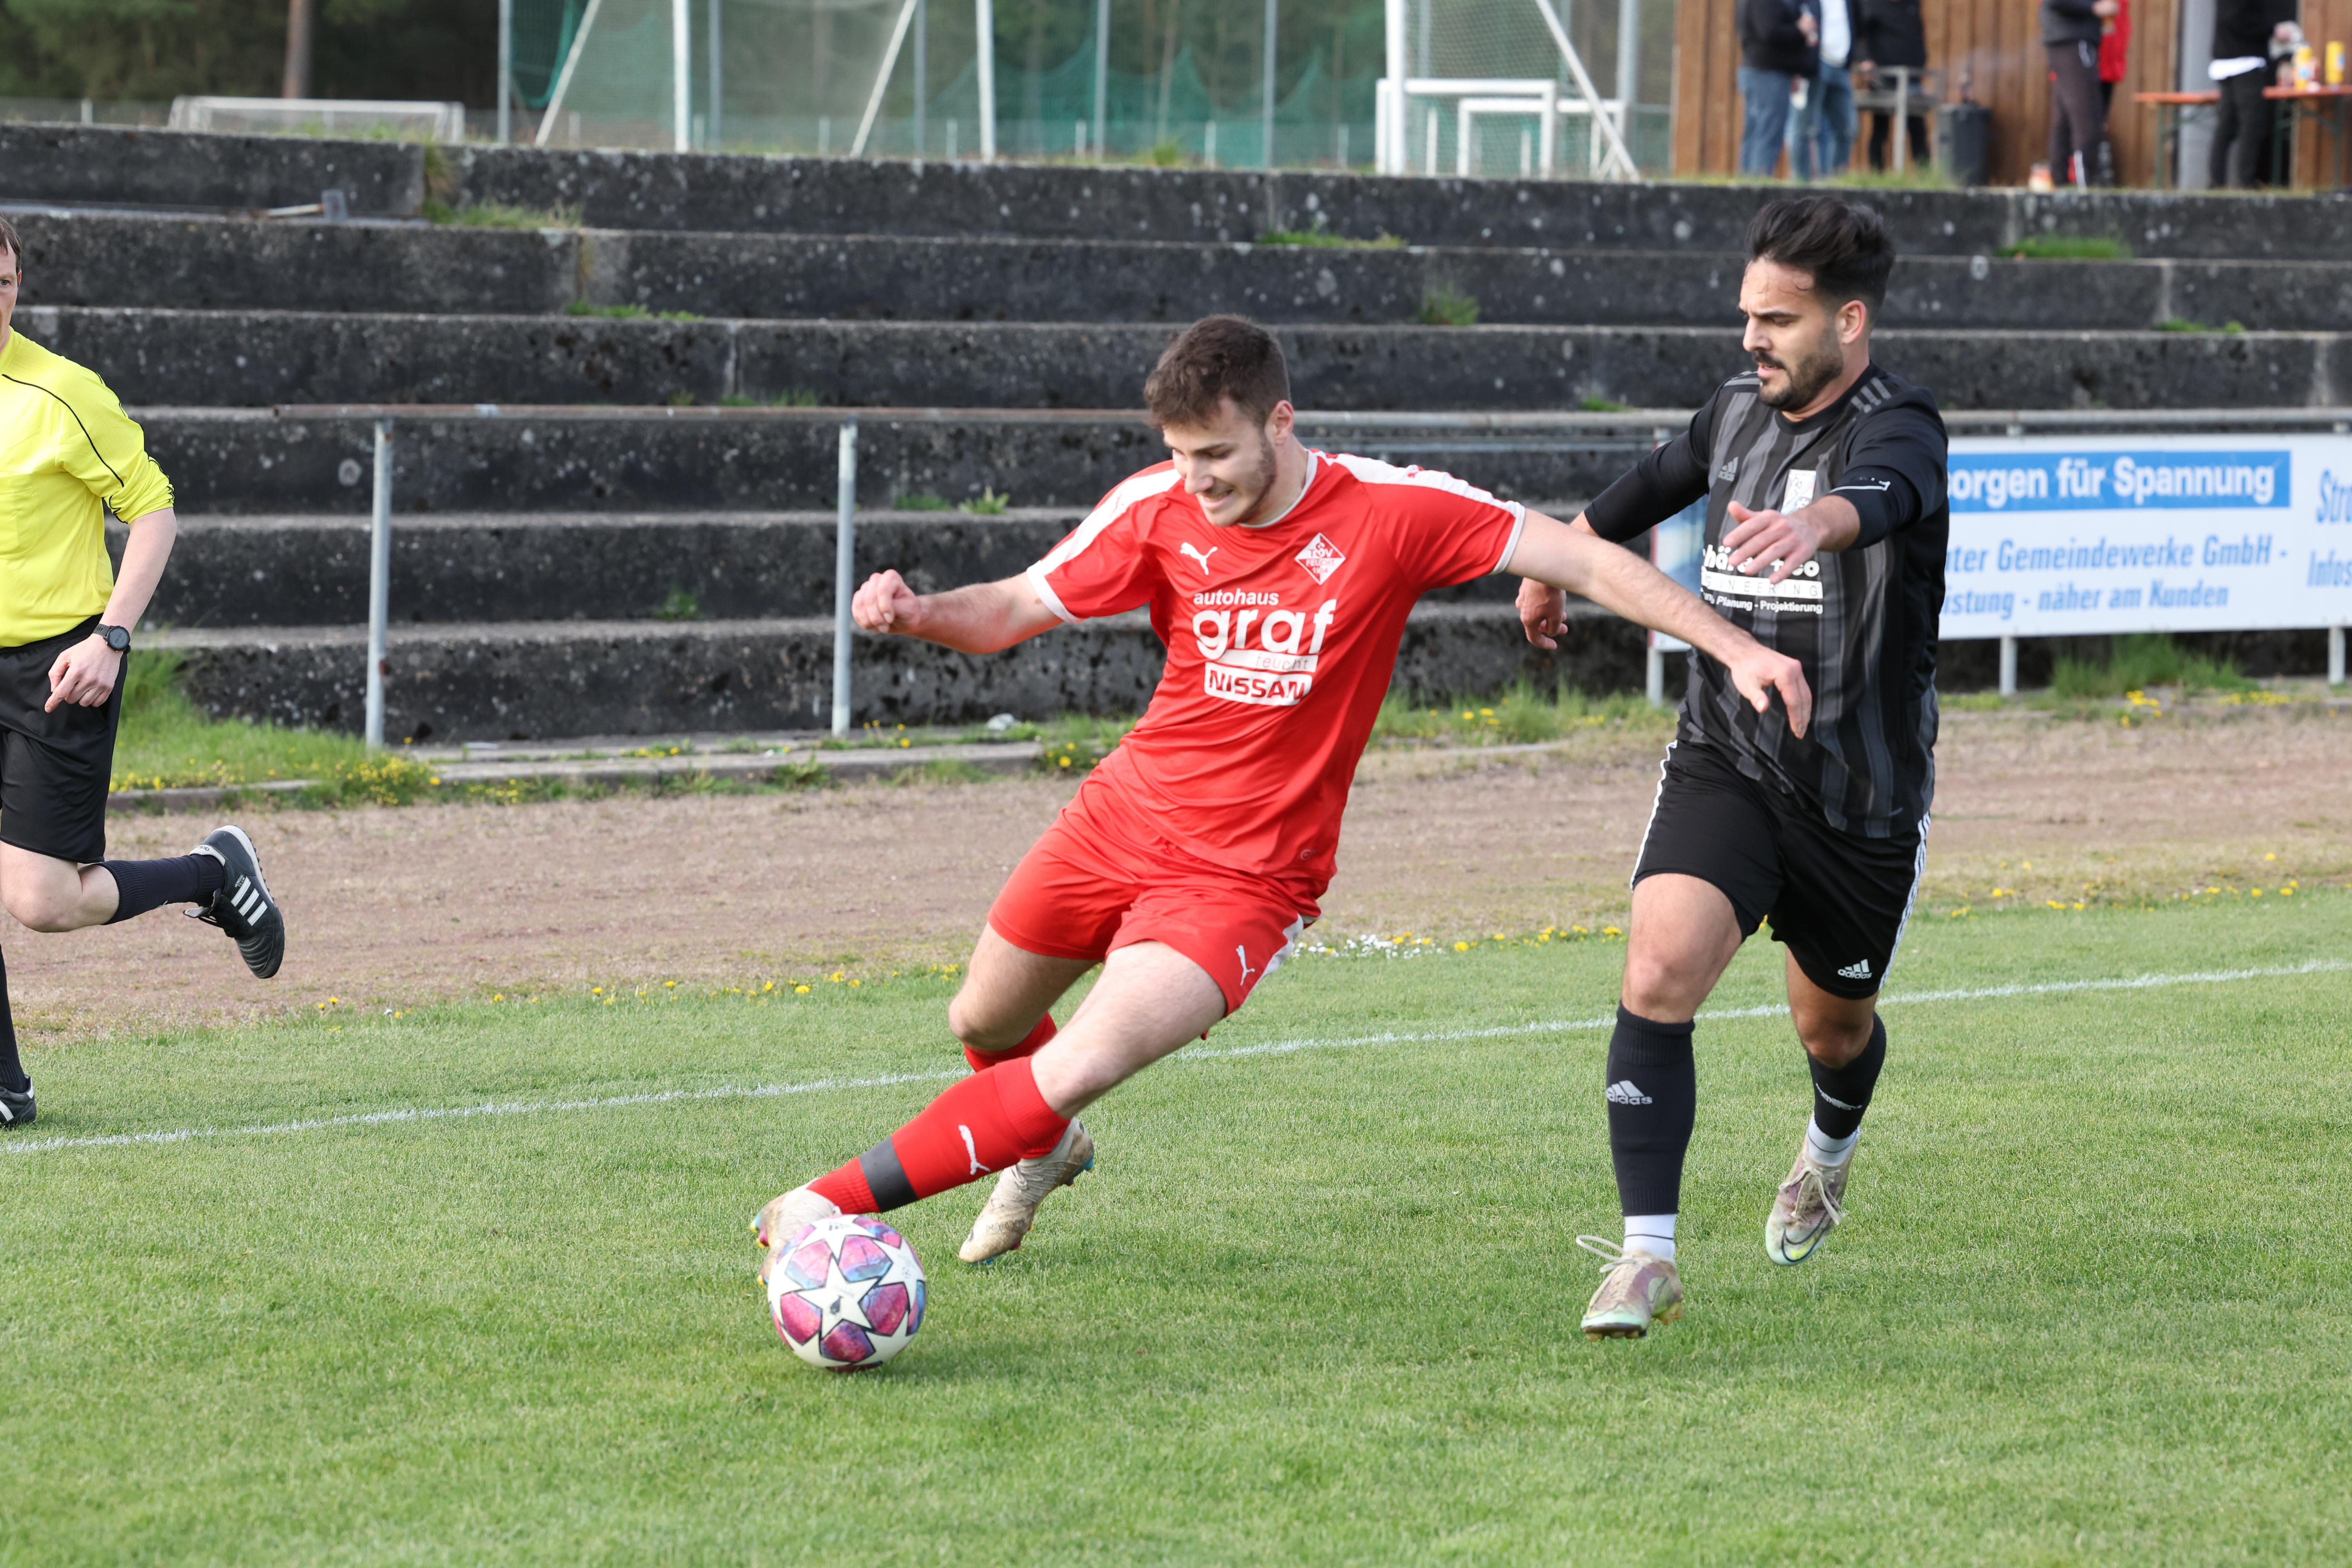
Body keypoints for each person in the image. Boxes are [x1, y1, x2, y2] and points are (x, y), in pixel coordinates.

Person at [751, 316, 1811, 1279]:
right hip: (1119, 817)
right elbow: (1016, 607)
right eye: (1180, 455)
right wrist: (920, 612)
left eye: (1216, 454)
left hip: (1244, 879)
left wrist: (1734, 647)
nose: (1196, 479)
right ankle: (1047, 1145)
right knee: (983, 1018)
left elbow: (1585, 559)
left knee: (1078, 1061)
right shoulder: (1157, 505)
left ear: (1280, 422)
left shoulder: (1391, 511)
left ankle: (821, 1204)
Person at [1514, 196, 1948, 1338]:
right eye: (1747, 315)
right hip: (1728, 757)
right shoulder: (1728, 413)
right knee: (1658, 967)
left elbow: (1883, 495)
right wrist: (1557, 559)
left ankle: (1826, 1152)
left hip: (1858, 793)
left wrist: (1815, 526)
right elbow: (1637, 491)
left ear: (1847, 322)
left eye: (1778, 320)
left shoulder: (1902, 424)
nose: (1752, 339)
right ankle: (1644, 1256)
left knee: (1832, 1028)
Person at [0, 214, 286, 1127]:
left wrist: (110, 639)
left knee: (44, 902)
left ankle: (211, 874)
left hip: (59, 667)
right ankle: (7, 1088)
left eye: (1, 281)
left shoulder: (63, 393)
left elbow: (154, 510)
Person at [2207, 0, 2298, 188]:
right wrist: (2272, 30)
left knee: (2228, 124)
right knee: (2251, 123)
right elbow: (2237, 19)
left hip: (2230, 58)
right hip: (2245, 61)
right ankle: (2245, 180)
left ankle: (2217, 181)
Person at [1739, 0, 1820, 177]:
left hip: (1762, 72)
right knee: (1769, 132)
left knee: (1756, 131)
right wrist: (1800, 29)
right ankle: (1759, 181)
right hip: (1769, 74)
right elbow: (1769, 31)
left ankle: (1748, 182)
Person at [2043, 0, 2119, 187]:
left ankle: (2060, 182)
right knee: (2087, 114)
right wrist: (2094, 8)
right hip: (2072, 41)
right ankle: (2087, 183)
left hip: (2071, 40)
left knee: (2065, 118)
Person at [1855, 0, 1929, 171]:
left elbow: (1918, 36)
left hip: (1912, 79)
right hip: (1884, 79)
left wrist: (1921, 62)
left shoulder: (1912, 5)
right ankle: (1877, 174)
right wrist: (1865, 60)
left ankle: (1925, 175)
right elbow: (1858, 38)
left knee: (1918, 129)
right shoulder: (1872, 6)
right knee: (1881, 129)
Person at [1798, 0, 1859, 178]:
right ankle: (1802, 181)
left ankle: (1835, 183)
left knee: (1847, 128)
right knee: (1806, 127)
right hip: (1817, 63)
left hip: (1842, 65)